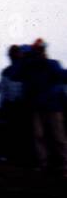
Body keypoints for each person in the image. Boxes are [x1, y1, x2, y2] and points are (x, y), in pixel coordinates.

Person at [20, 39, 66, 175]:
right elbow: (18, 74)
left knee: (58, 137)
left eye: (40, 50)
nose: (39, 52)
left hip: (53, 106)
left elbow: (62, 78)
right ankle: (44, 164)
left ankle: (64, 165)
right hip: (39, 106)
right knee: (39, 136)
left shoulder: (52, 64)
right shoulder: (30, 67)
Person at [0, 45, 27, 164]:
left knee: (19, 133)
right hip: (13, 107)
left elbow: (3, 91)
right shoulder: (7, 71)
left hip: (21, 106)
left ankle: (17, 157)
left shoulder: (25, 69)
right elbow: (3, 91)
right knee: (15, 133)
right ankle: (15, 157)